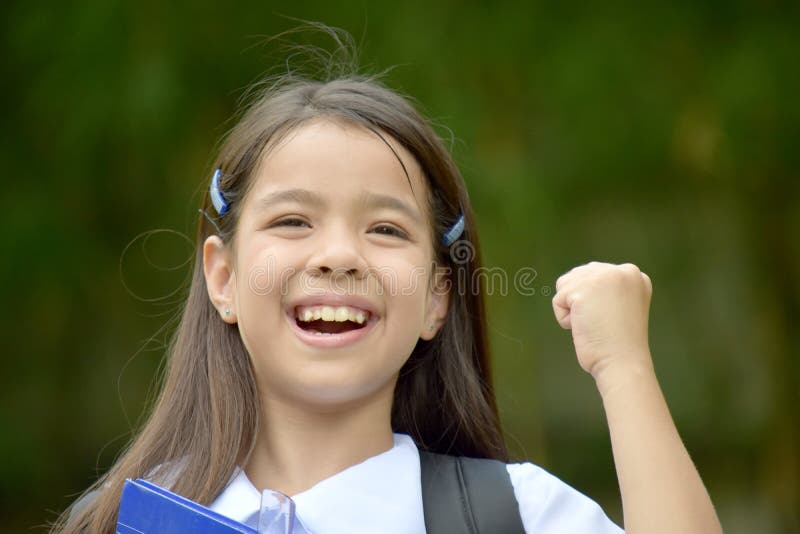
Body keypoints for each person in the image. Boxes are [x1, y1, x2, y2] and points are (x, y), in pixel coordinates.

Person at [53, 30, 722, 534]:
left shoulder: (518, 516)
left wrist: (624, 366)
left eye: (386, 230)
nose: (339, 255)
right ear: (222, 279)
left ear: (437, 297)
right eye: (292, 220)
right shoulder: (116, 521)